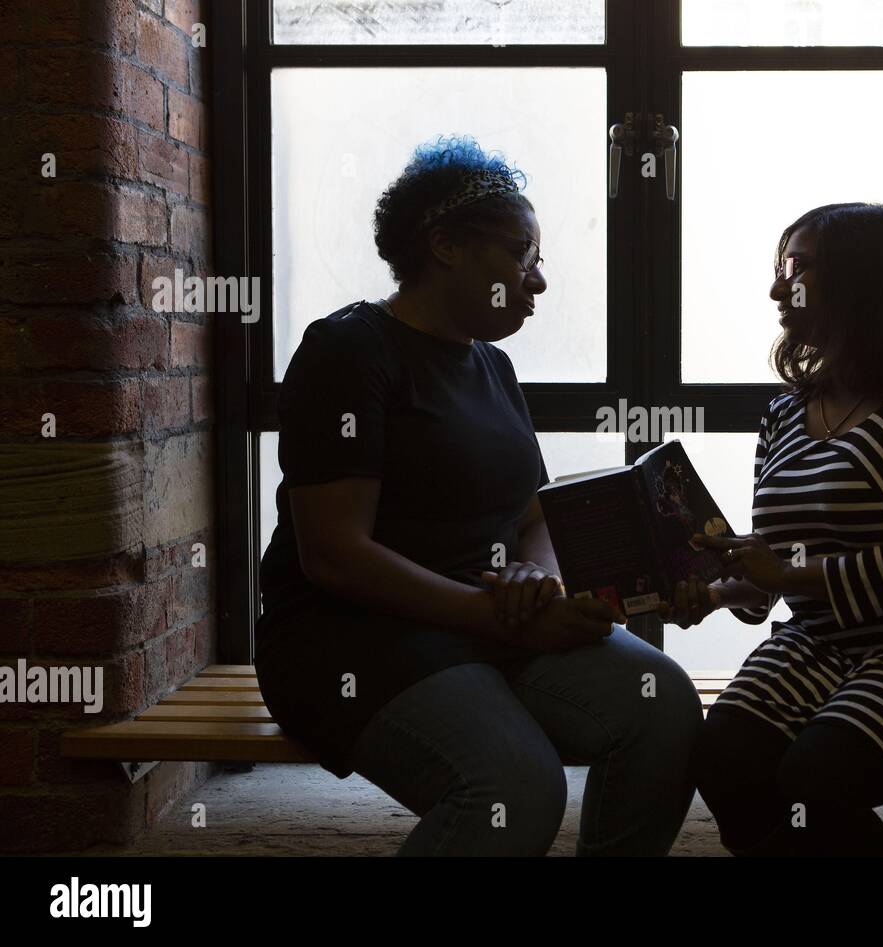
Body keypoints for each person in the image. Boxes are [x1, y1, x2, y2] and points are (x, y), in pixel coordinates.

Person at [254, 135, 702, 856]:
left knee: (665, 705)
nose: (539, 281)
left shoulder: (492, 365)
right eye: (523, 255)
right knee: (515, 784)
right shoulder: (350, 350)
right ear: (446, 245)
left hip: (485, 621)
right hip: (351, 635)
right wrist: (500, 619)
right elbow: (335, 556)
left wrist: (540, 579)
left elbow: (534, 515)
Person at [664, 203, 883, 857]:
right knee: (721, 759)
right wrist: (710, 592)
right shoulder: (785, 413)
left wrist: (787, 573)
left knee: (816, 777)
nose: (777, 287)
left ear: (863, 281)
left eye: (795, 268)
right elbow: (767, 580)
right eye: (778, 267)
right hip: (817, 644)